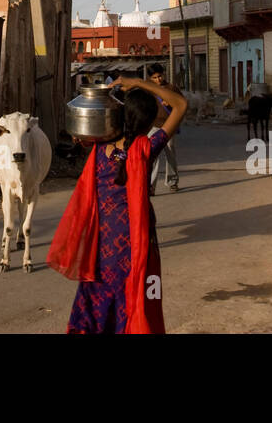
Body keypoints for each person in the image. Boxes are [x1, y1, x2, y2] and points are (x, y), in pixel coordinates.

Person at [49, 74, 187, 333]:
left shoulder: (101, 150)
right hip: (137, 248)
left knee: (100, 308)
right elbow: (180, 105)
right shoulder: (146, 149)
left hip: (101, 250)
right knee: (144, 298)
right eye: (156, 111)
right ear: (148, 122)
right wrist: (140, 82)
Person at [146, 63, 180, 194]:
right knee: (152, 156)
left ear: (163, 74)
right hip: (153, 126)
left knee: (170, 154)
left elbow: (182, 103)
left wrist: (171, 102)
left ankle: (172, 182)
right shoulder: (149, 90)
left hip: (169, 126)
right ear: (150, 78)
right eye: (154, 77)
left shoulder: (172, 88)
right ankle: (150, 186)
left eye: (159, 76)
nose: (158, 80)